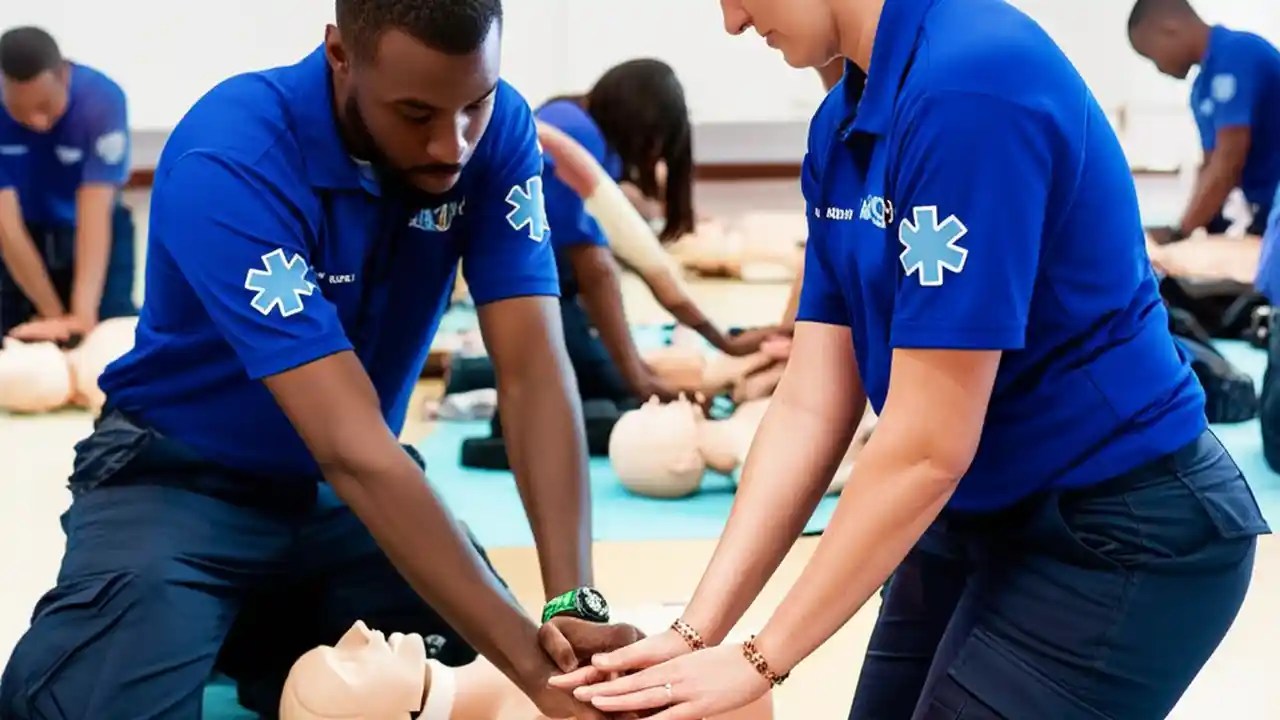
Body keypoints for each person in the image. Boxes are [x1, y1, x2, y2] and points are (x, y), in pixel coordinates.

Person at [549, 0, 1272, 719]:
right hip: (980, 507)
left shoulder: (971, 84)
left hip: (1120, 528)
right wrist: (695, 633)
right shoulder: (842, 125)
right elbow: (811, 400)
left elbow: (929, 447)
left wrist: (761, 658)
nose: (732, 21)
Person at [0, 2, 635, 718]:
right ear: (341, 54)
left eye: (474, 106)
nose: (451, 146)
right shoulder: (234, 155)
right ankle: (205, 619)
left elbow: (532, 373)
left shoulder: (500, 131)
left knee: (466, 688)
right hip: (180, 486)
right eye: (416, 114)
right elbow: (350, 444)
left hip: (343, 508)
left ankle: (245, 631)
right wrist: (530, 664)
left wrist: (570, 604)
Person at [0, 26, 137, 342]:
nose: (37, 122)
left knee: (112, 335)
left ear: (64, 76)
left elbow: (96, 211)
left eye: (45, 107)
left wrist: (80, 318)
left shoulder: (101, 101)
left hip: (93, 229)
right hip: (25, 232)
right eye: (21, 111)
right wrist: (52, 316)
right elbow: (7, 227)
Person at [1129, 0, 1280, 242]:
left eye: (1152, 55)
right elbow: (1211, 168)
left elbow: (1229, 161)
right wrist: (1191, 226)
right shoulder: (1200, 89)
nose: (1158, 67)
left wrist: (1181, 232)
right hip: (1264, 210)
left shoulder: (1237, 55)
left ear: (1169, 28)